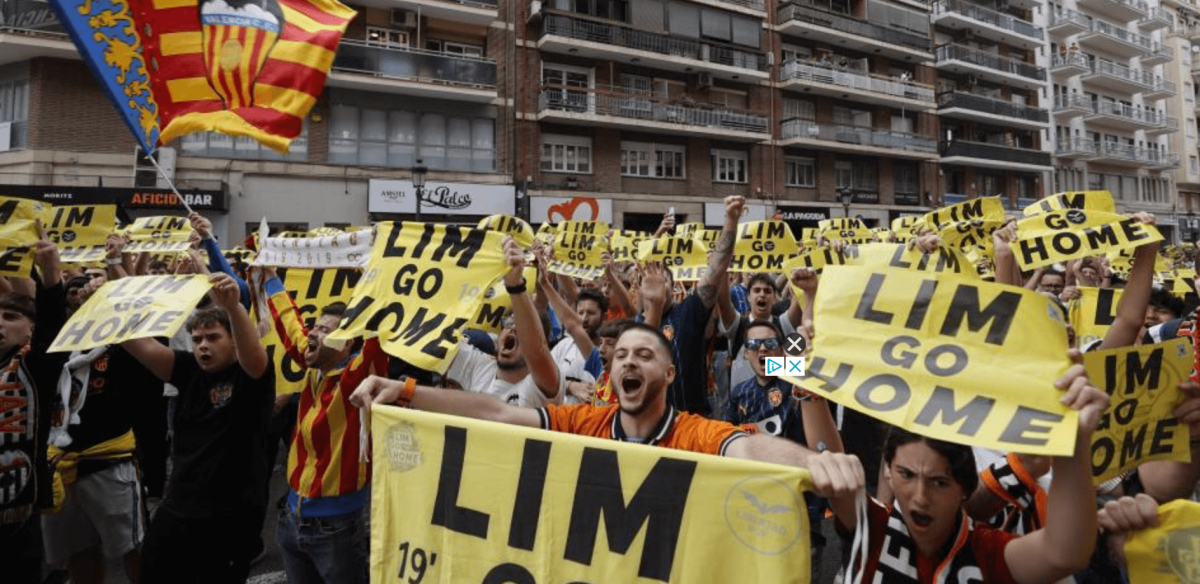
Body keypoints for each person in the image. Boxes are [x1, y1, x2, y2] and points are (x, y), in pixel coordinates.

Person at [350, 322, 864, 499]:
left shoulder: (694, 432)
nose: (627, 363)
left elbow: (749, 445)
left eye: (644, 355)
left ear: (668, 375)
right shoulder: (584, 424)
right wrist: (408, 391)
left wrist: (812, 464)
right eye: (619, 357)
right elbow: (498, 413)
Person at [829, 351, 1109, 584]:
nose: (921, 496)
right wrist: (803, 362)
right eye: (907, 475)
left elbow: (1065, 554)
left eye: (939, 482)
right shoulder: (875, 526)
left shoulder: (987, 552)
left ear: (964, 488)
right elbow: (789, 370)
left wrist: (1074, 442)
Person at [121, 272, 273, 584]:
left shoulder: (251, 377)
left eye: (214, 338)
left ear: (234, 340)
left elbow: (254, 356)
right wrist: (106, 305)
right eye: (198, 340)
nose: (203, 346)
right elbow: (138, 343)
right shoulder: (188, 370)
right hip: (177, 508)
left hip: (230, 517)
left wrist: (234, 309)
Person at [262, 267, 387, 584]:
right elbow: (290, 323)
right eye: (315, 326)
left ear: (348, 347)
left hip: (337, 527)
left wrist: (374, 273)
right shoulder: (312, 366)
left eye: (326, 331)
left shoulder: (357, 379)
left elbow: (377, 336)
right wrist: (269, 277)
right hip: (291, 519)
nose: (314, 333)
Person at [0, 224, 66, 584]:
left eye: (11, 318)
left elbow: (53, 322)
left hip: (17, 512)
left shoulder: (35, 366)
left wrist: (51, 272)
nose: (0, 324)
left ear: (30, 330)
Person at [638, 195, 743, 416]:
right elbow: (642, 354)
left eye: (663, 280)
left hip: (693, 422)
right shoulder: (633, 326)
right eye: (650, 281)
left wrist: (731, 219)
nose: (656, 285)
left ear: (674, 286)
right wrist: (654, 307)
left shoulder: (689, 310)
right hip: (650, 424)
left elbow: (718, 265)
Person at [443, 237, 564, 407]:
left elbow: (538, 350)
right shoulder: (478, 364)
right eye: (508, 323)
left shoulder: (543, 387)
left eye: (521, 328)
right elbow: (437, 332)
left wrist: (515, 284)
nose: (513, 329)